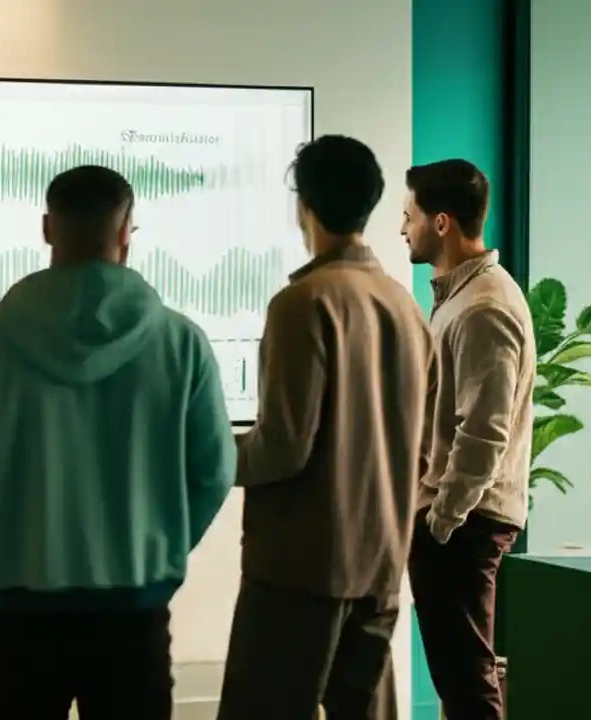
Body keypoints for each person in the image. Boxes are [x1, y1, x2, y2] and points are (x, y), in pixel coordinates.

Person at [0, 165, 236, 720]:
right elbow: (214, 472)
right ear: (126, 233)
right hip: (132, 608)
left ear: (47, 228)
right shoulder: (181, 342)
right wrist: (156, 546)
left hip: (16, 611)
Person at [217, 135, 434, 720]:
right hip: (381, 564)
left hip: (299, 568)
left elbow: (283, 448)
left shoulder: (303, 302)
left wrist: (206, 456)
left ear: (302, 206)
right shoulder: (404, 306)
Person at [401, 159, 532, 720]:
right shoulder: (461, 296)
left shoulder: (484, 307)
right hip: (457, 521)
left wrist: (440, 522)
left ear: (442, 222)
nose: (402, 228)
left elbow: (483, 432)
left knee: (467, 683)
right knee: (460, 679)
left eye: (408, 216)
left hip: (465, 523)